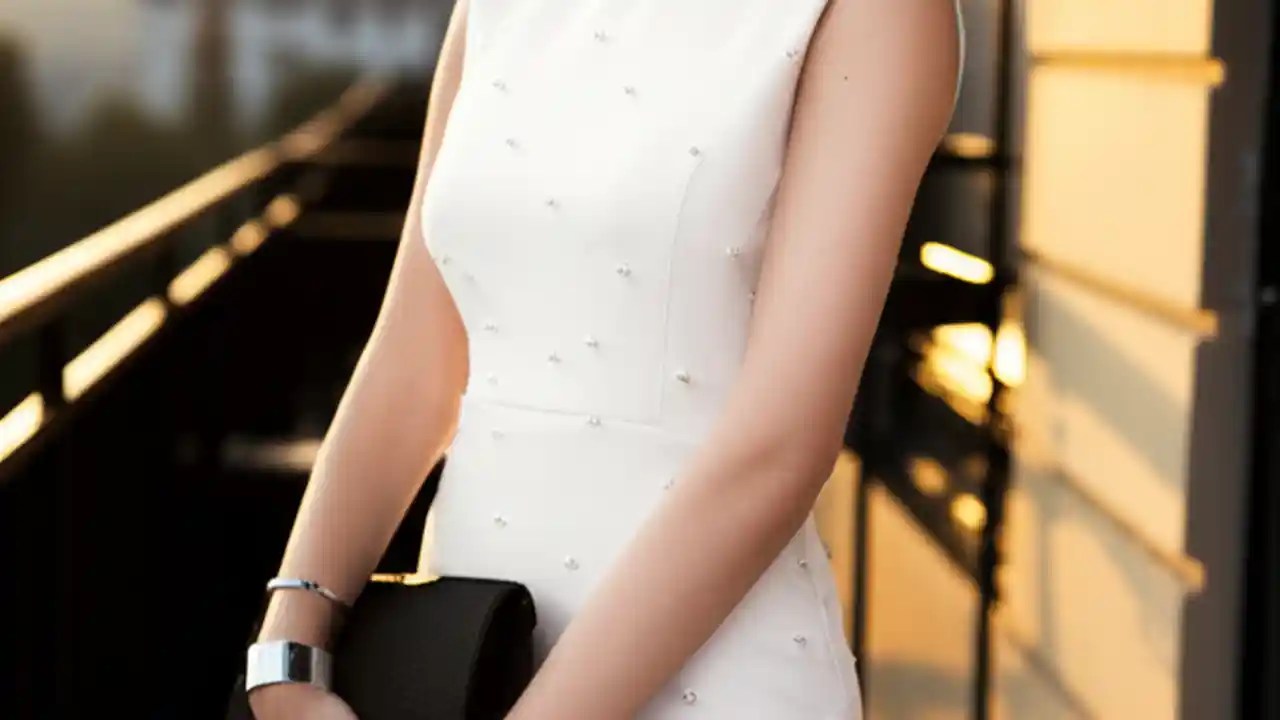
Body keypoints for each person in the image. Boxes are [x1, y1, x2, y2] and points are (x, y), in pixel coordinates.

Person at [247, 0, 963, 717]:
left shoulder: (879, 13)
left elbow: (780, 447)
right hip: (470, 653)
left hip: (717, 680)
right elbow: (415, 356)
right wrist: (289, 643)